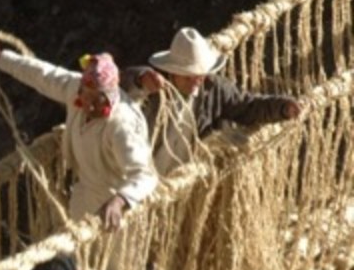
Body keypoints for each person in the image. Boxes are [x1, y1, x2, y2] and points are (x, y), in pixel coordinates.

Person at [0, 38, 159, 233]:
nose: (89, 106)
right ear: (81, 89)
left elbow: (146, 175)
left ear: (111, 97)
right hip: (83, 201)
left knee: (111, 264)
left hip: (116, 215)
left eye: (98, 101)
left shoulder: (122, 126)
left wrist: (119, 201)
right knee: (76, 258)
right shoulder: (76, 89)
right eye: (86, 97)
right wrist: (1, 59)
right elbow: (42, 74)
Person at [121, 27, 305, 175]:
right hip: (138, 176)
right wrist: (141, 80)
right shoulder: (154, 87)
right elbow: (126, 85)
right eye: (188, 75)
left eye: (200, 75)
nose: (196, 81)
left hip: (176, 182)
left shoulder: (213, 89)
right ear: (173, 71)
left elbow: (247, 107)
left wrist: (282, 108)